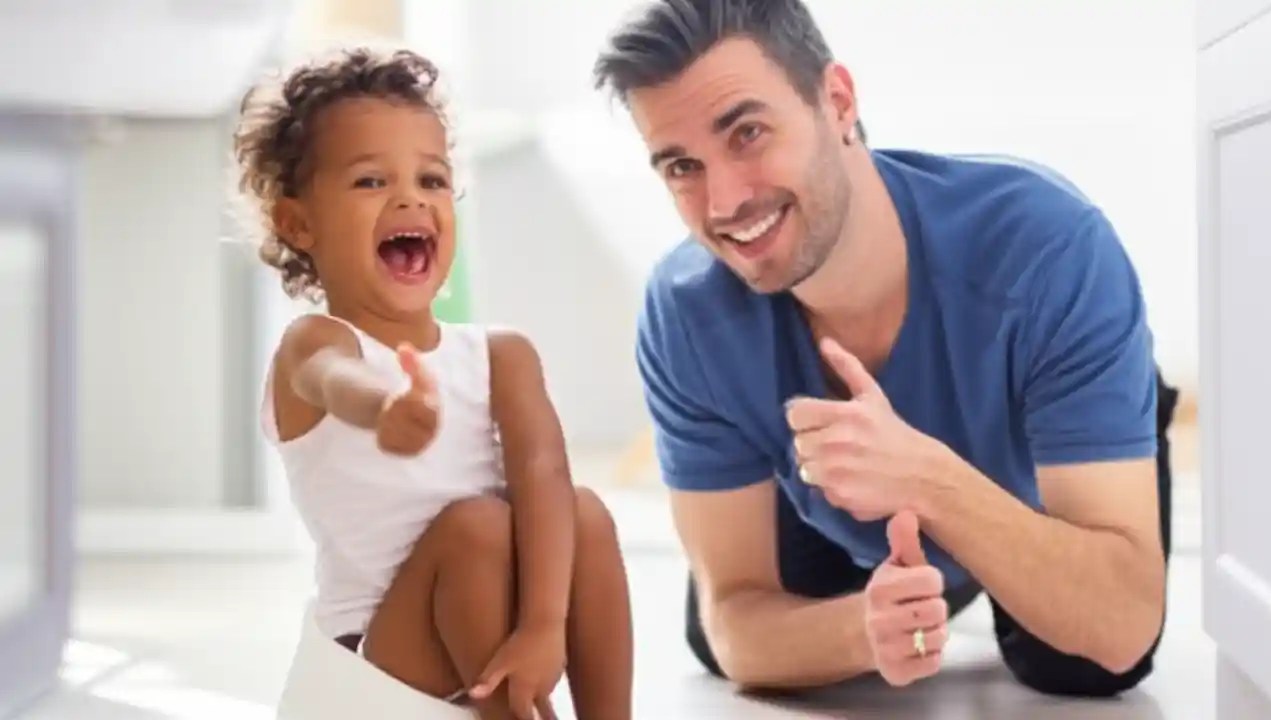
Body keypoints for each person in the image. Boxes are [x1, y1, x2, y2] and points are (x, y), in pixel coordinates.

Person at [594, 0, 1177, 699]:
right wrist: (865, 629)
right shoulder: (687, 311)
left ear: (836, 101)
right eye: (682, 166)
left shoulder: (1047, 246)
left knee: (1072, 665)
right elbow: (734, 622)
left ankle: (986, 544)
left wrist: (928, 482)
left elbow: (1122, 627)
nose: (722, 203)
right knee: (734, 648)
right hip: (838, 514)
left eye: (747, 133)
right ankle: (929, 577)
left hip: (1032, 484)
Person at [234, 47, 634, 720]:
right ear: (299, 223)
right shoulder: (319, 343)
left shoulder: (501, 355)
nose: (411, 196)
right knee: (475, 527)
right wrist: (386, 407)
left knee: (584, 513)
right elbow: (336, 381)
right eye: (369, 181)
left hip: (490, 619)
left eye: (433, 178)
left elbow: (542, 468)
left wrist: (542, 625)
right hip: (376, 660)